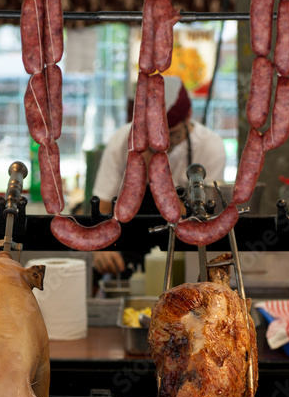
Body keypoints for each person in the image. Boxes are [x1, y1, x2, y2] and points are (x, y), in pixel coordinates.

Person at [91, 75, 227, 275]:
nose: (160, 143)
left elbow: (202, 221)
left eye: (171, 135)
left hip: (184, 251)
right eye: (151, 136)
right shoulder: (123, 141)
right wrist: (100, 247)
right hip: (128, 252)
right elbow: (101, 203)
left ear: (188, 117)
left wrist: (156, 175)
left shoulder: (209, 146)